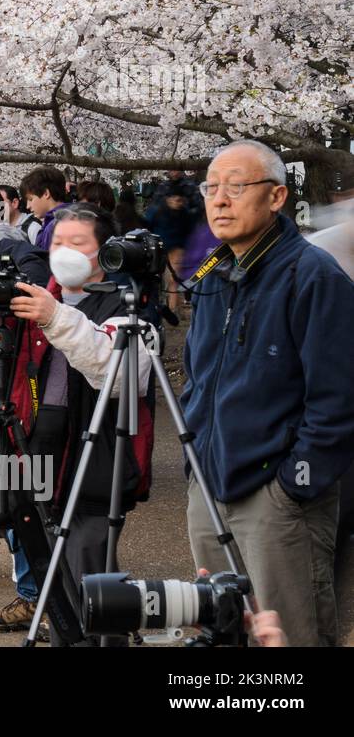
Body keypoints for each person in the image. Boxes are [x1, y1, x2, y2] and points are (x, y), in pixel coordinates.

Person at [0, 206, 154, 643]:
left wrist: (53, 315)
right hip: (33, 447)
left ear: (106, 252)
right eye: (57, 242)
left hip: (95, 457)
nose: (64, 252)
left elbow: (116, 372)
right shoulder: (32, 295)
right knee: (46, 570)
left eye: (78, 243)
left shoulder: (123, 303)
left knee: (89, 574)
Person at [181, 140, 354, 647]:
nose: (220, 200)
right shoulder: (213, 277)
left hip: (277, 497)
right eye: (211, 188)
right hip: (210, 488)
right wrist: (195, 466)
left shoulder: (314, 275)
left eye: (237, 186)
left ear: (277, 197)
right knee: (219, 628)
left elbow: (338, 397)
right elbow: (196, 376)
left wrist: (294, 482)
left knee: (290, 637)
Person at [21, 166, 72, 252]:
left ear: (46, 193)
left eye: (30, 199)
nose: (27, 206)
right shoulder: (75, 214)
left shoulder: (54, 226)